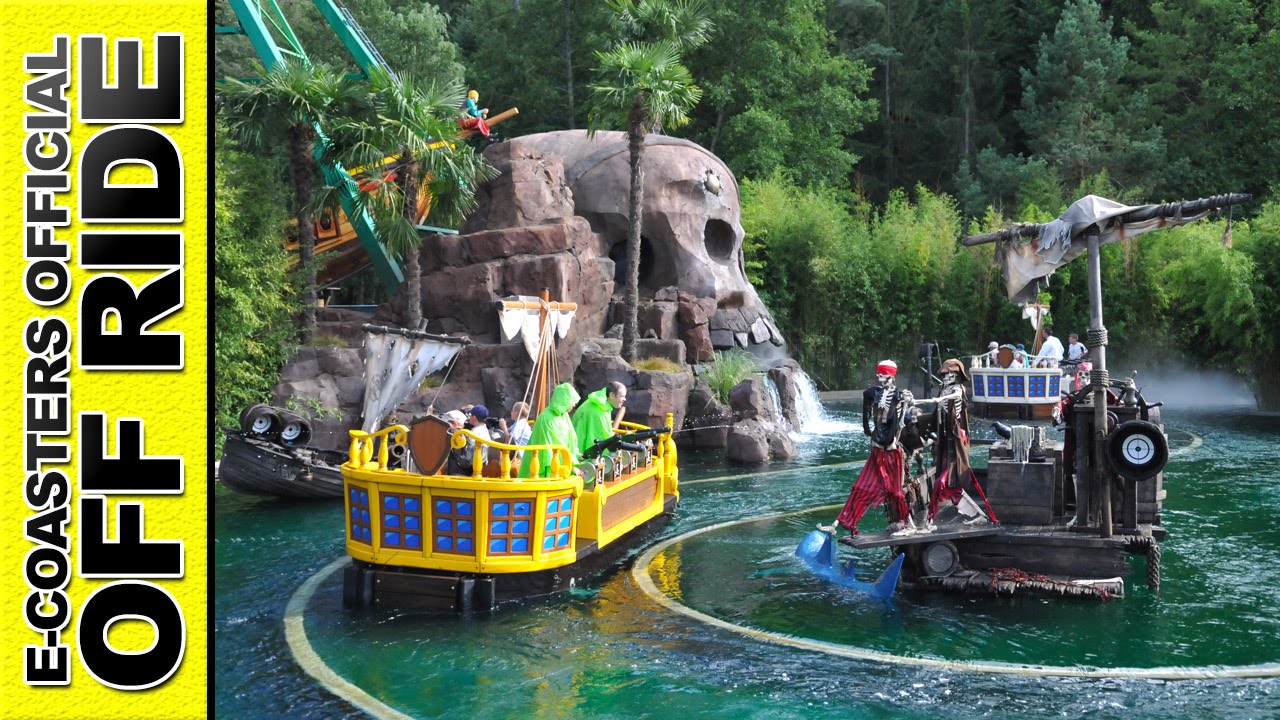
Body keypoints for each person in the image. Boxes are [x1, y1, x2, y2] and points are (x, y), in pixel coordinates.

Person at [823, 360, 916, 536]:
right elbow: (866, 411)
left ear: (892, 376)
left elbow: (906, 417)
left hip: (891, 450)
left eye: (884, 375)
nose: (881, 378)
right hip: (877, 449)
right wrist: (868, 431)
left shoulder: (899, 395)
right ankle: (840, 523)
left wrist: (907, 403)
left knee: (896, 492)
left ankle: (907, 524)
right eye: (879, 375)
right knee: (860, 487)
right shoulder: (873, 393)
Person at [927, 359, 998, 526]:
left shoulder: (958, 390)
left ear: (957, 375)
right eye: (945, 374)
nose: (946, 377)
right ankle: (975, 515)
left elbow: (955, 401)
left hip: (956, 439)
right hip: (947, 439)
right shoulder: (942, 389)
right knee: (951, 485)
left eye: (950, 374)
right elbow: (938, 413)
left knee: (942, 482)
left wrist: (938, 401)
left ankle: (930, 520)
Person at [519, 383, 581, 478]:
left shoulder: (564, 415)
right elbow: (550, 448)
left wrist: (576, 456)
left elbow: (571, 439)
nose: (573, 405)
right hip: (545, 469)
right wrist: (571, 465)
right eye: (570, 402)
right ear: (563, 401)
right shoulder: (546, 418)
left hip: (562, 468)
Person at [572, 381, 627, 456]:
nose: (624, 399)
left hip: (577, 449)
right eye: (622, 396)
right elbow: (601, 440)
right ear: (612, 395)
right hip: (583, 455)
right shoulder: (600, 412)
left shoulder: (599, 403)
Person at [444, 410, 476, 475]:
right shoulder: (463, 435)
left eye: (448, 422)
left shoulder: (461, 437)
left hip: (458, 476)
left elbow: (466, 462)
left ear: (455, 423)